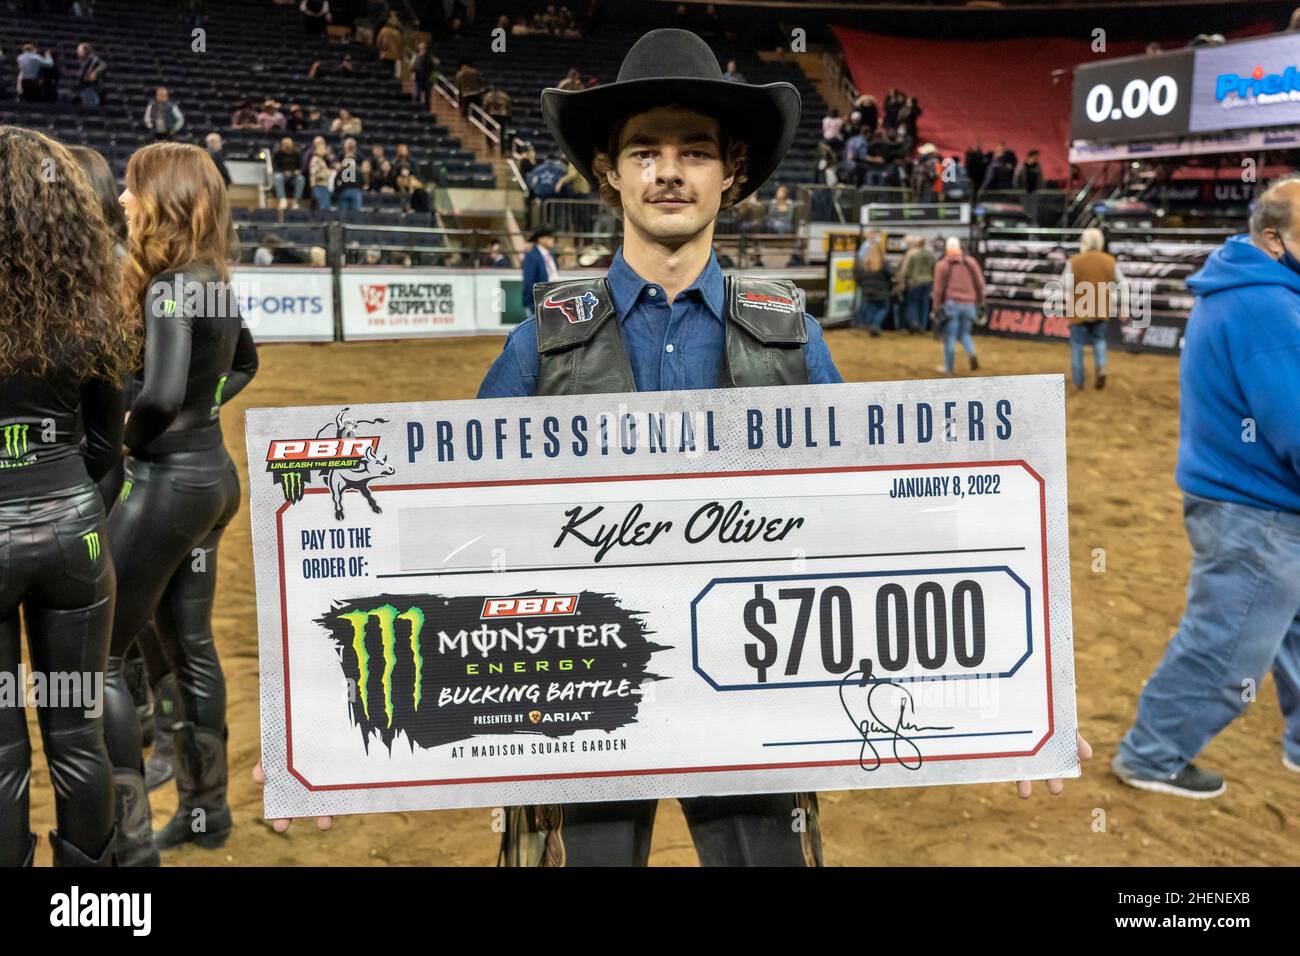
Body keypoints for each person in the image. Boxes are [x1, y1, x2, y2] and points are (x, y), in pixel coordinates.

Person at [254, 25, 1090, 857]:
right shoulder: (539, 343)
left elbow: (874, 526)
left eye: (694, 151)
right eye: (644, 150)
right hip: (571, 693)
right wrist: (322, 714)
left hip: (753, 688)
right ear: (610, 174)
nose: (668, 171)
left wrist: (1018, 703)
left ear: (731, 174)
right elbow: (438, 528)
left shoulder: (792, 336)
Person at [1113, 177, 1300, 797]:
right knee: (1229, 647)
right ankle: (1152, 754)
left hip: (1249, 498)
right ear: (1275, 238)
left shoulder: (1255, 290)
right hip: (1258, 506)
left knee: (1283, 626)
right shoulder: (1267, 306)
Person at [106, 142, 258, 864]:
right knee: (185, 646)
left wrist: (129, 441)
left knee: (98, 651)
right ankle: (207, 813)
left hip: (169, 484)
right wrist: (202, 410)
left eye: (134, 190)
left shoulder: (169, 289)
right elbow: (247, 363)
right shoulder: (214, 284)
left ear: (161, 198)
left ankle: (123, 838)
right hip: (213, 479)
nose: (123, 202)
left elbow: (159, 395)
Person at [0, 125, 139, 868]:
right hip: (74, 537)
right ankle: (88, 904)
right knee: (76, 733)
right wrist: (78, 517)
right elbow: (103, 449)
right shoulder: (89, 306)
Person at [1061, 228, 1124, 390]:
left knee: (1077, 345)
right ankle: (1101, 367)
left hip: (1078, 310)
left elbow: (1065, 286)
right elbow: (1122, 283)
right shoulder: (1109, 261)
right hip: (1101, 309)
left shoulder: (1074, 261)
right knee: (1099, 340)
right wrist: (1121, 304)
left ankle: (1078, 381)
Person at [931, 236, 984, 375]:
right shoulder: (971, 262)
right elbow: (980, 284)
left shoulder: (942, 265)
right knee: (965, 334)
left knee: (950, 337)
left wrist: (935, 307)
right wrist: (981, 302)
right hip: (969, 304)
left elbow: (938, 290)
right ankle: (971, 353)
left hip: (952, 305)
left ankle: (949, 369)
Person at [894, 234, 936, 333]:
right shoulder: (930, 254)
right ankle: (922, 326)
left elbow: (905, 269)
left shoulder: (912, 254)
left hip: (914, 282)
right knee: (924, 305)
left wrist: (901, 281)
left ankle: (914, 323)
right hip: (928, 282)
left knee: (912, 303)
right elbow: (935, 268)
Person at [853, 231, 892, 336]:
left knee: (870, 309)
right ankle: (875, 325)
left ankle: (871, 325)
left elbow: (857, 276)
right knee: (884, 308)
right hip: (881, 291)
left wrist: (862, 286)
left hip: (867, 291)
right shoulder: (884, 263)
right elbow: (890, 274)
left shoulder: (863, 263)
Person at [521, 227, 558, 318]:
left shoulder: (550, 255)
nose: (552, 239)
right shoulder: (532, 256)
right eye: (549, 237)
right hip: (538, 303)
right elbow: (529, 283)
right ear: (541, 239)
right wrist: (535, 304)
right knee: (536, 330)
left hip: (550, 299)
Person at [272, 136, 306, 207]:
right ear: (282, 145)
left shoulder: (297, 153)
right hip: (283, 175)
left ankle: (296, 201)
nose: (287, 145)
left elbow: (301, 166)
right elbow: (275, 167)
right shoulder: (277, 154)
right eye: (285, 144)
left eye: (288, 144)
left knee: (301, 179)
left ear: (292, 144)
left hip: (294, 176)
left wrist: (298, 171)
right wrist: (283, 172)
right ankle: (282, 199)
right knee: (278, 177)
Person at [76, 42, 105, 109]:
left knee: (89, 109)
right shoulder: (83, 60)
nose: (77, 51)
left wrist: (95, 72)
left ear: (85, 50)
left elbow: (103, 65)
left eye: (79, 49)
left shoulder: (92, 58)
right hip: (84, 88)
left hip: (90, 89)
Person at [411, 41, 436, 105]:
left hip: (427, 80)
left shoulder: (430, 58)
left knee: (427, 97)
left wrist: (432, 80)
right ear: (419, 48)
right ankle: (417, 110)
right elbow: (411, 68)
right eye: (421, 48)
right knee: (416, 96)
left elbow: (434, 68)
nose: (423, 49)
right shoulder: (415, 56)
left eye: (424, 48)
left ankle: (426, 112)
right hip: (418, 79)